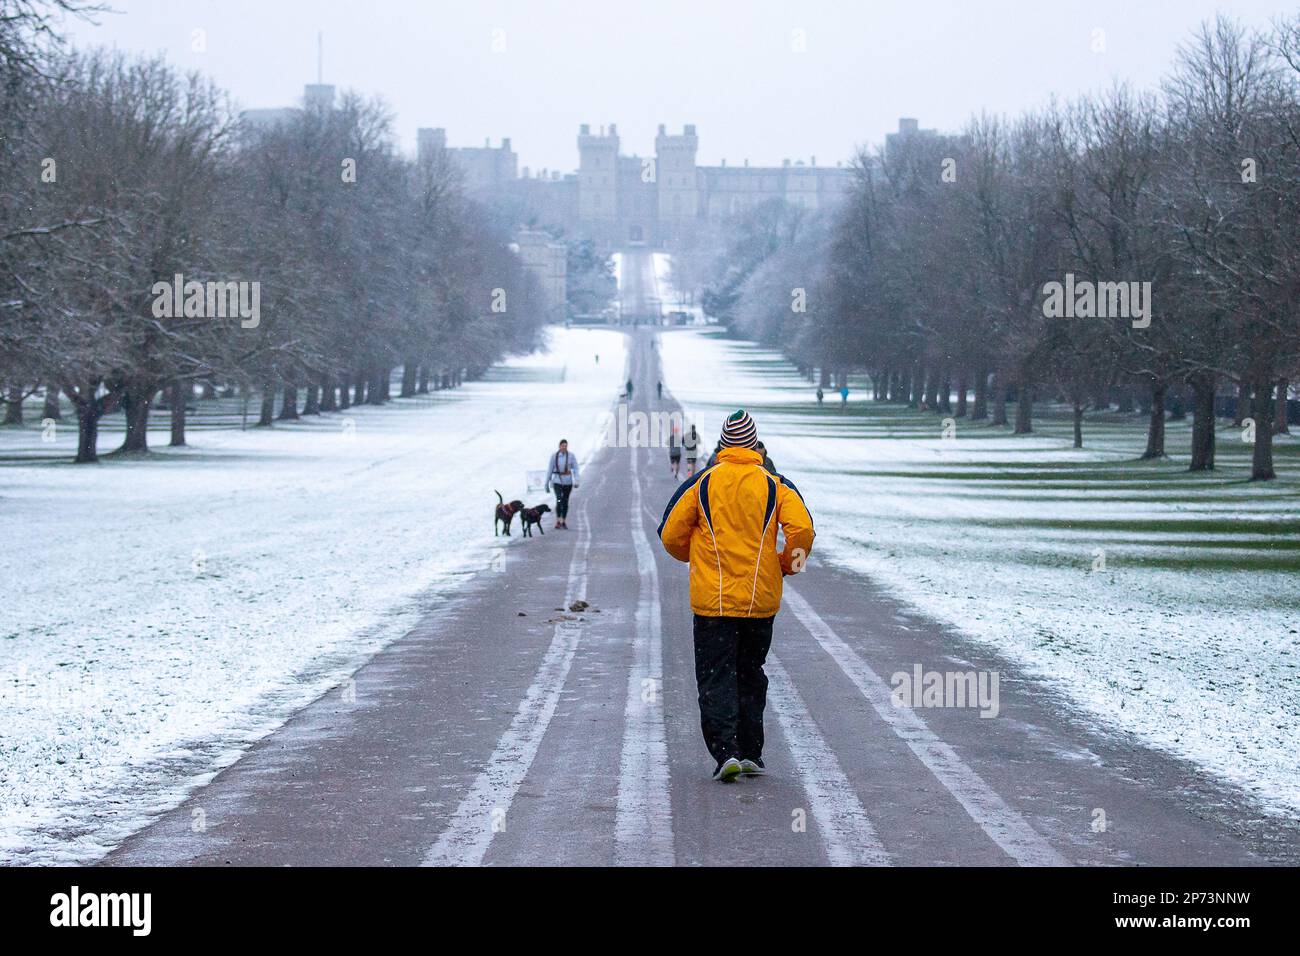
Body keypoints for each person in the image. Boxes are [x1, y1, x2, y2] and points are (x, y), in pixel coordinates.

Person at [658, 410, 815, 782]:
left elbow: (669, 534)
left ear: (725, 444)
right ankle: (751, 752)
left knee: (715, 676)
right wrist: (787, 564)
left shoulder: (703, 484)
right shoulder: (776, 485)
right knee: (750, 673)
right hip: (760, 602)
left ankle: (725, 750)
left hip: (712, 602)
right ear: (755, 445)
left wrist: (693, 556)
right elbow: (803, 531)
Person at [544, 439, 580, 530]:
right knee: (559, 499)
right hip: (557, 481)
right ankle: (558, 519)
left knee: (565, 501)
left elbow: (576, 469)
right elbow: (550, 469)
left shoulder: (571, 456)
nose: (564, 447)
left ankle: (563, 520)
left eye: (565, 446)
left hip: (567, 482)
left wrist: (577, 480)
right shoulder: (554, 456)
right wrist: (547, 482)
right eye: (562, 446)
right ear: (559, 446)